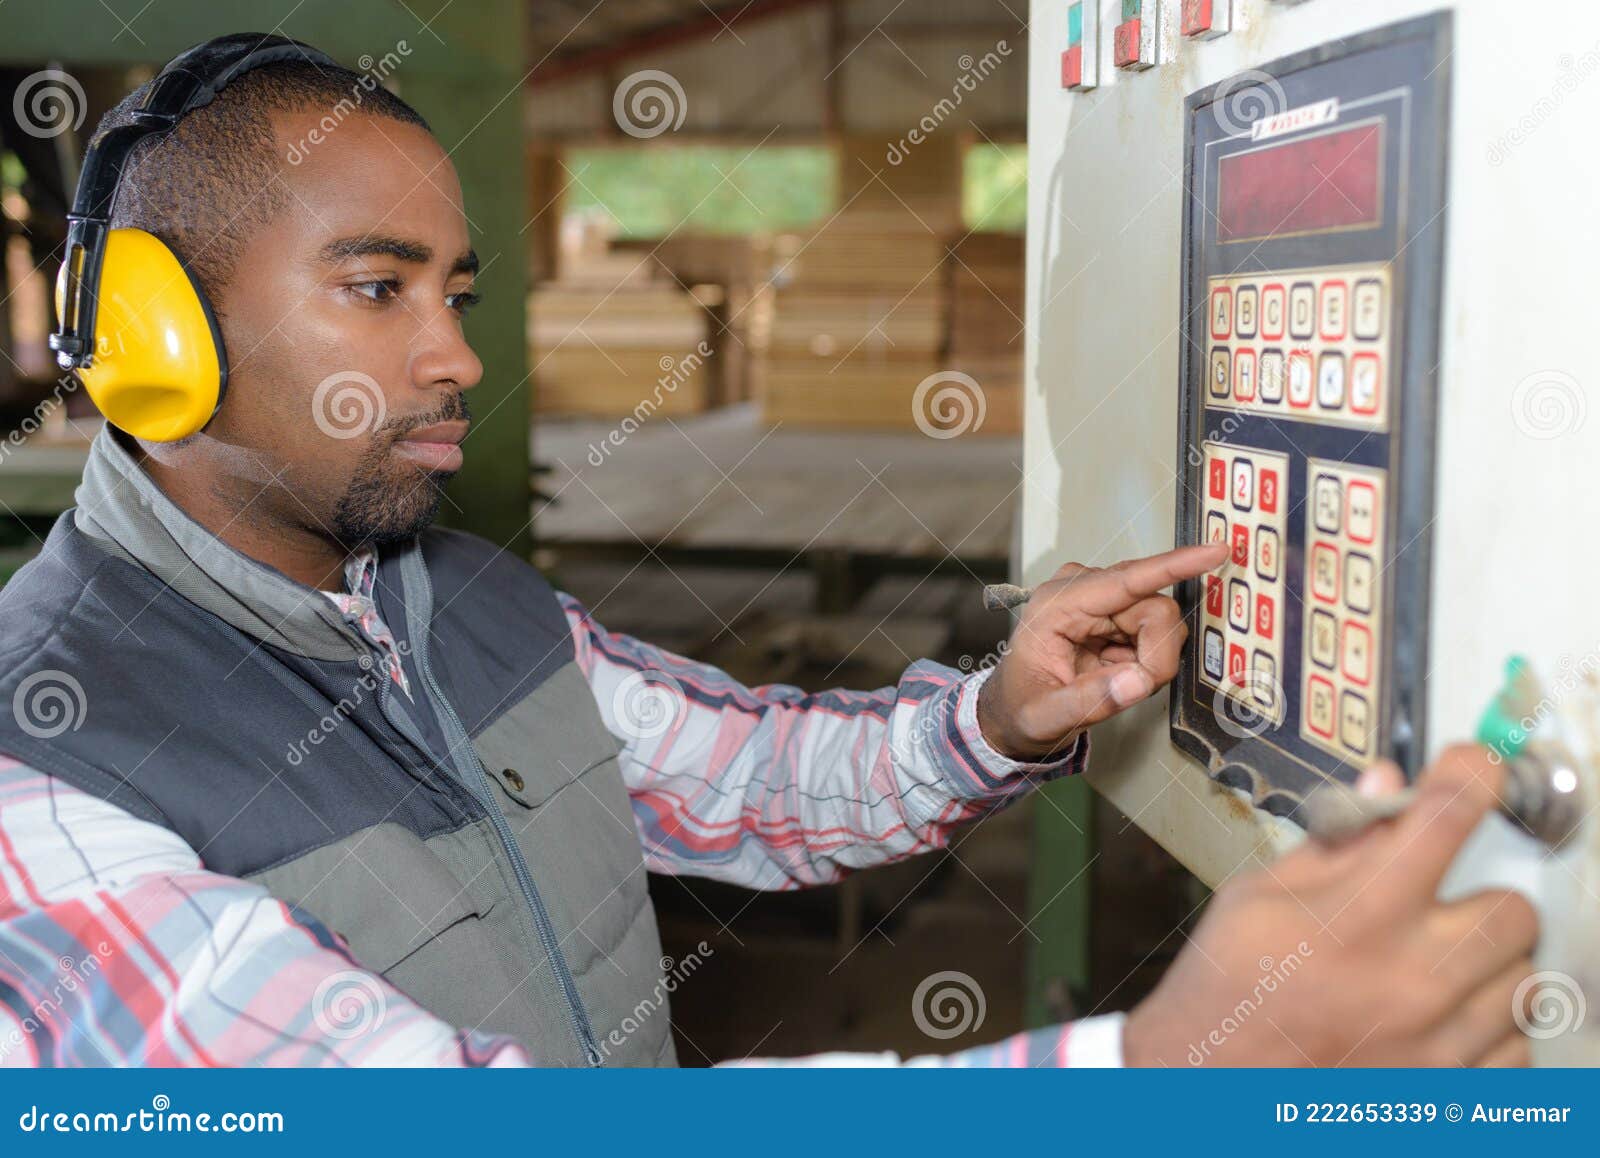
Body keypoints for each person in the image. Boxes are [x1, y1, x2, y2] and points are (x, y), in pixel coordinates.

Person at [0, 35, 1535, 1068]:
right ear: (157, 341)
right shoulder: (49, 778)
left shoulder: (457, 600)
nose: (456, 355)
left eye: (456, 294)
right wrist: (1163, 1073)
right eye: (377, 287)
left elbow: (753, 781)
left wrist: (991, 716)